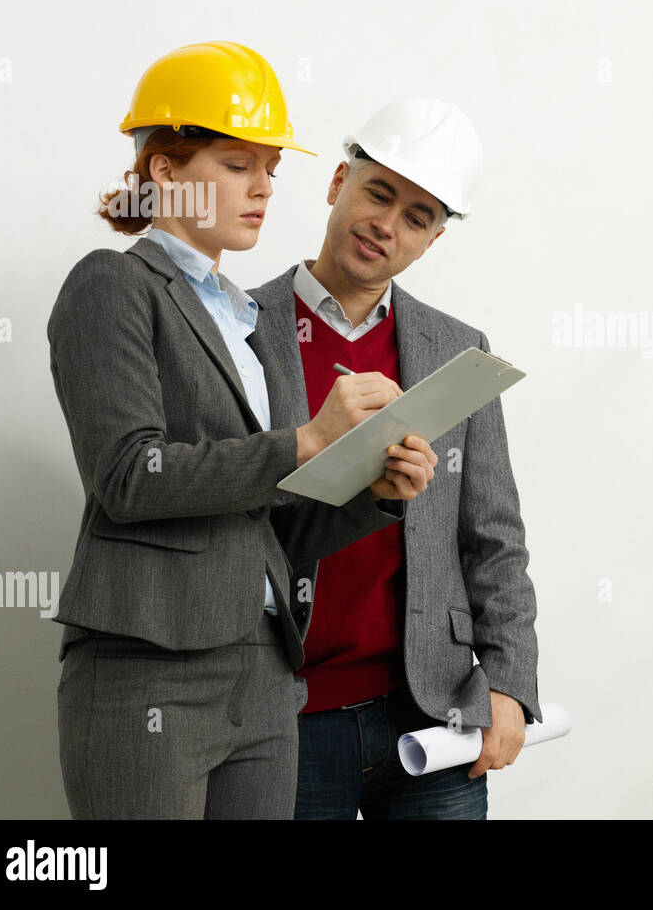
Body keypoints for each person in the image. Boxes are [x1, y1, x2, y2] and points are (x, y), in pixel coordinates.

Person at [47, 41, 439, 820]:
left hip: (264, 672)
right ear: (165, 170)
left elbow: (268, 527)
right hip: (148, 667)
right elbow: (128, 475)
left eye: (271, 170)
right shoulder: (113, 285)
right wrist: (303, 442)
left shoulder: (251, 321)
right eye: (236, 166)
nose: (263, 188)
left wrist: (377, 496)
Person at [246, 98, 541, 820]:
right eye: (378, 192)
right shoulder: (240, 330)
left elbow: (495, 537)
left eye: (416, 216)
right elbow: (231, 516)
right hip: (285, 713)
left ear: (433, 239)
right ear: (337, 181)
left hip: (431, 712)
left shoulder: (456, 353)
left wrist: (506, 679)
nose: (387, 224)